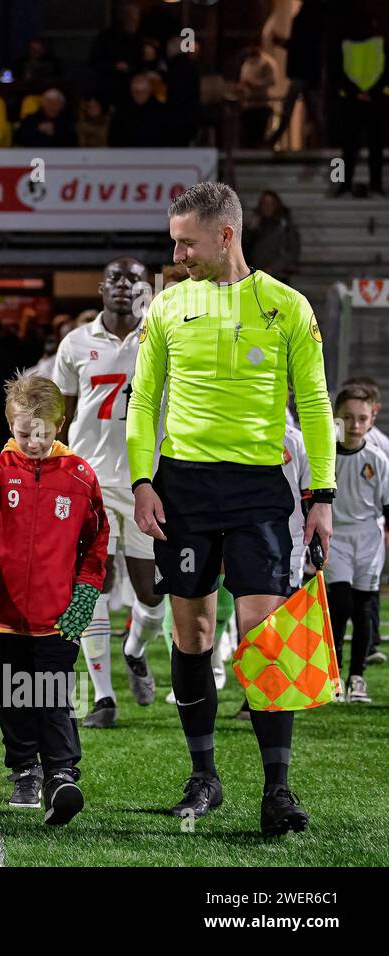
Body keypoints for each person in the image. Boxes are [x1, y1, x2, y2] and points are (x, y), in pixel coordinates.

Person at [127, 181, 335, 835]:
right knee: (190, 635)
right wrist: (142, 480)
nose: (177, 255)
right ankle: (204, 777)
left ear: (225, 235)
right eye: (173, 243)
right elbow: (143, 401)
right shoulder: (166, 306)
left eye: (186, 243)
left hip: (259, 491)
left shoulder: (287, 305)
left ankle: (278, 790)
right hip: (184, 489)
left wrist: (322, 495)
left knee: (263, 634)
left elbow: (316, 403)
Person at [0, 374, 108, 824]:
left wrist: (86, 592)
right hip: (5, 615)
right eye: (24, 433)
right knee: (11, 694)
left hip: (58, 615)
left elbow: (96, 540)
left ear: (59, 425)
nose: (34, 442)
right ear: (11, 426)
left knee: (54, 693)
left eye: (42, 433)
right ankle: (25, 769)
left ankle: (61, 774)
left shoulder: (80, 476)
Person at [53, 257, 168, 727]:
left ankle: (135, 648)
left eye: (134, 279)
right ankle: (103, 697)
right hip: (90, 483)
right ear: (101, 288)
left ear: (146, 290)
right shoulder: (75, 343)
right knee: (92, 583)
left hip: (148, 482)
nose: (124, 285)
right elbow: (62, 415)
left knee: (152, 593)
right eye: (115, 278)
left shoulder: (163, 337)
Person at [327, 383, 389, 704]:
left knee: (364, 608)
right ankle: (334, 675)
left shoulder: (377, 459)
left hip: (368, 539)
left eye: (362, 418)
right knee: (339, 604)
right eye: (348, 417)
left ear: (371, 420)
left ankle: (357, 678)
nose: (354, 425)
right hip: (335, 536)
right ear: (336, 417)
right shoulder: (324, 454)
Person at [332, 3, 386, 198]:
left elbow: (338, 73)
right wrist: (372, 92)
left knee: (348, 149)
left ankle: (344, 185)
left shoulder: (344, 45)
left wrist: (355, 92)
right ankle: (375, 186)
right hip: (373, 100)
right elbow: (386, 72)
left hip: (352, 101)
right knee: (374, 147)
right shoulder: (380, 43)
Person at [267, 0, 328, 149]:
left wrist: (282, 42)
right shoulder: (317, 19)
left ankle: (275, 138)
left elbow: (299, 45)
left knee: (290, 106)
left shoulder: (305, 19)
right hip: (309, 72)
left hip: (302, 72)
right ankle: (325, 142)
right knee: (314, 111)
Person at [243, 190, 301, 282]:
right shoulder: (257, 224)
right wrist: (249, 230)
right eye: (264, 204)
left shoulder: (284, 225)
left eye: (270, 204)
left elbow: (292, 251)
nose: (267, 207)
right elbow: (245, 249)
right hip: (257, 276)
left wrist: (273, 268)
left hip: (278, 276)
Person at [109, 73, 170, 148]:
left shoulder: (162, 112)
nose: (140, 95)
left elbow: (168, 138)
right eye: (136, 91)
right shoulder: (121, 112)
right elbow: (114, 139)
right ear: (131, 91)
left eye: (143, 91)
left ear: (150, 90)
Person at [237, 46, 280, 148]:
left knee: (258, 137)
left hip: (261, 105)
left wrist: (254, 84)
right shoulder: (246, 62)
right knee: (247, 138)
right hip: (248, 105)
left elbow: (272, 81)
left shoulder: (267, 63)